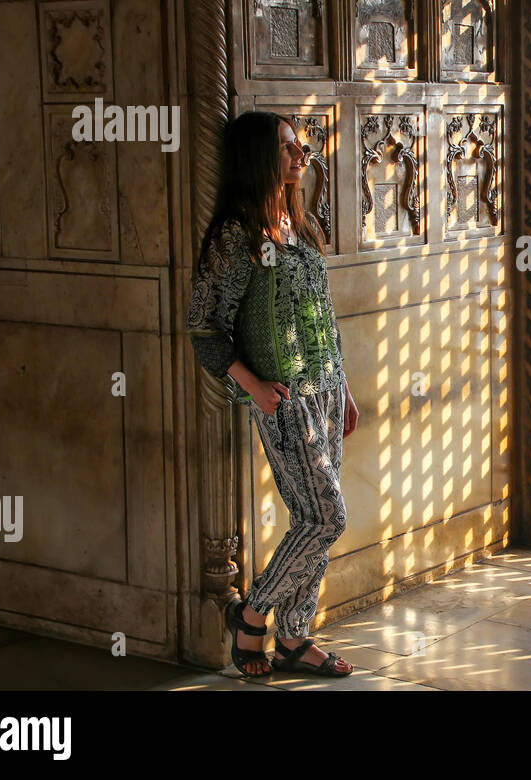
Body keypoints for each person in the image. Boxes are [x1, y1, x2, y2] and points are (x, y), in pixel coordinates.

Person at [186, 110, 358, 677]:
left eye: (299, 147)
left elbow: (321, 315)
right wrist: (254, 386)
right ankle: (254, 614)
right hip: (284, 400)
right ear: (259, 157)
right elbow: (203, 324)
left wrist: (346, 388)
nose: (299, 157)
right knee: (326, 518)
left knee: (311, 519)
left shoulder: (298, 227)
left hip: (327, 391)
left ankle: (292, 637)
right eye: (287, 148)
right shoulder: (236, 237)